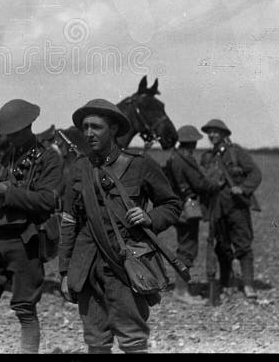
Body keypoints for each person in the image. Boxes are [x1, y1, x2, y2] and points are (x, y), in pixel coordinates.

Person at [58, 99, 181, 354]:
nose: (89, 133)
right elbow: (68, 222)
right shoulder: (78, 169)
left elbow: (171, 204)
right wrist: (63, 272)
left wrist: (150, 218)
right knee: (95, 341)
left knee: (133, 340)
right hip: (87, 268)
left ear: (113, 129)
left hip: (126, 265)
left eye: (96, 127)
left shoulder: (140, 165)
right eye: (85, 127)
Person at [0, 99, 63, 354]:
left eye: (14, 133)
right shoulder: (8, 155)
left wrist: (8, 192)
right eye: (7, 134)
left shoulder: (49, 158)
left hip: (24, 241)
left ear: (28, 127)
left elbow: (48, 200)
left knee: (25, 308)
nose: (10, 139)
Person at [199, 118, 262, 299]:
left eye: (216, 132)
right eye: (209, 132)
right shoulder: (207, 157)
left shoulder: (236, 152)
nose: (212, 135)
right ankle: (226, 283)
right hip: (217, 208)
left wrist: (242, 189)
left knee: (243, 244)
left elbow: (255, 173)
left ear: (224, 134)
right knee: (222, 247)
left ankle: (248, 285)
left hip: (237, 207)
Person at [165, 125, 224, 305]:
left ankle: (181, 289)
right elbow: (199, 184)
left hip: (178, 206)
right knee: (188, 248)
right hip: (187, 209)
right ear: (192, 142)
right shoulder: (185, 159)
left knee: (185, 246)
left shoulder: (174, 157)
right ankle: (181, 291)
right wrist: (217, 185)